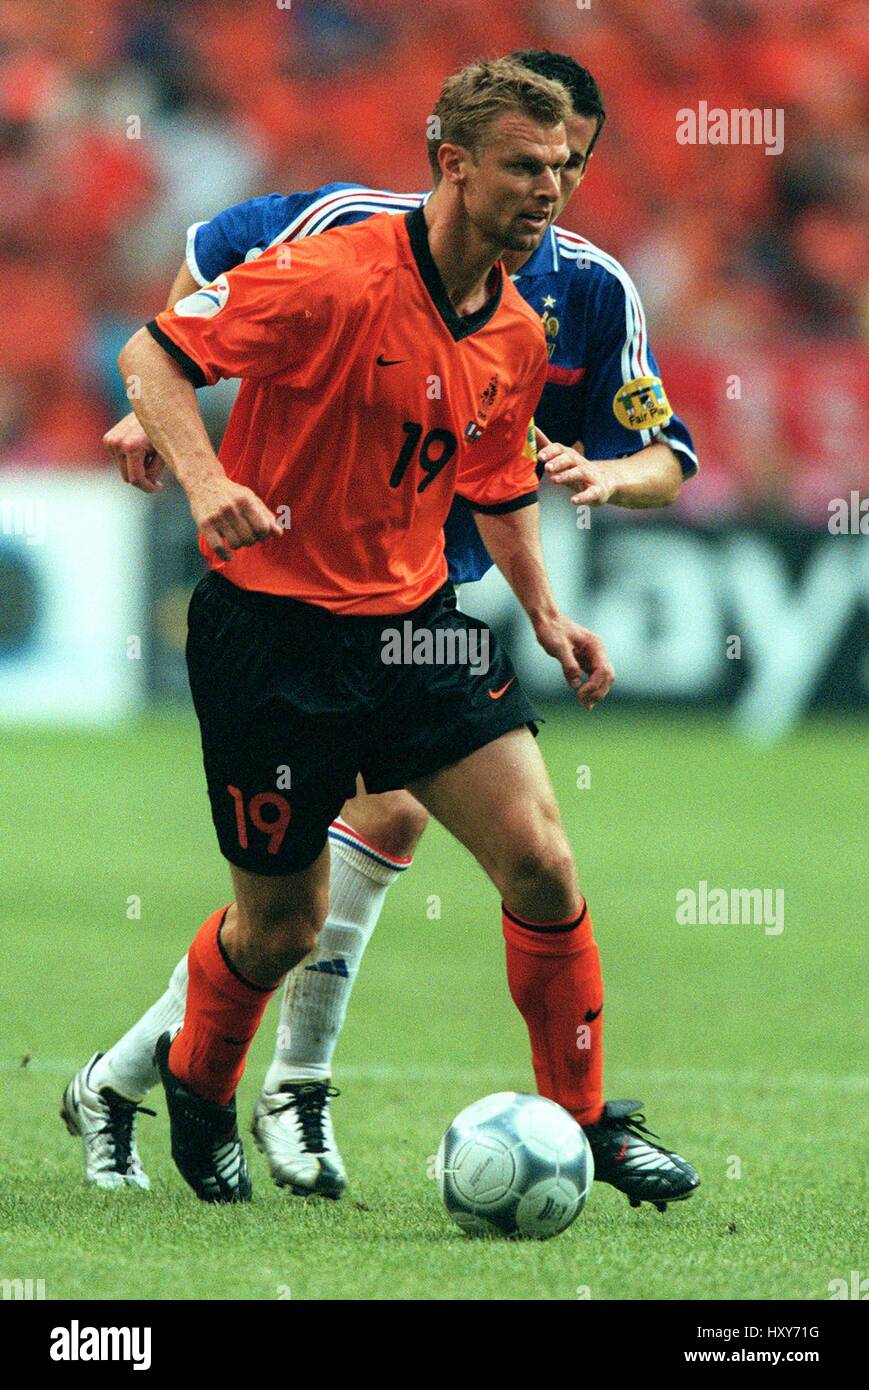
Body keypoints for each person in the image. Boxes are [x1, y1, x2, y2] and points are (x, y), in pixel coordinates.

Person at [65, 52, 700, 1211]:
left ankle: (582, 1118)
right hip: (274, 634)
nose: (549, 189)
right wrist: (205, 478)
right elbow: (153, 351)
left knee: (543, 860)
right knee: (279, 924)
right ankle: (200, 1090)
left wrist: (548, 614)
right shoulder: (333, 270)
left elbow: (497, 472)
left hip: (417, 626)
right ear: (450, 164)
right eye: (523, 166)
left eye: (561, 167)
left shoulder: (513, 327)